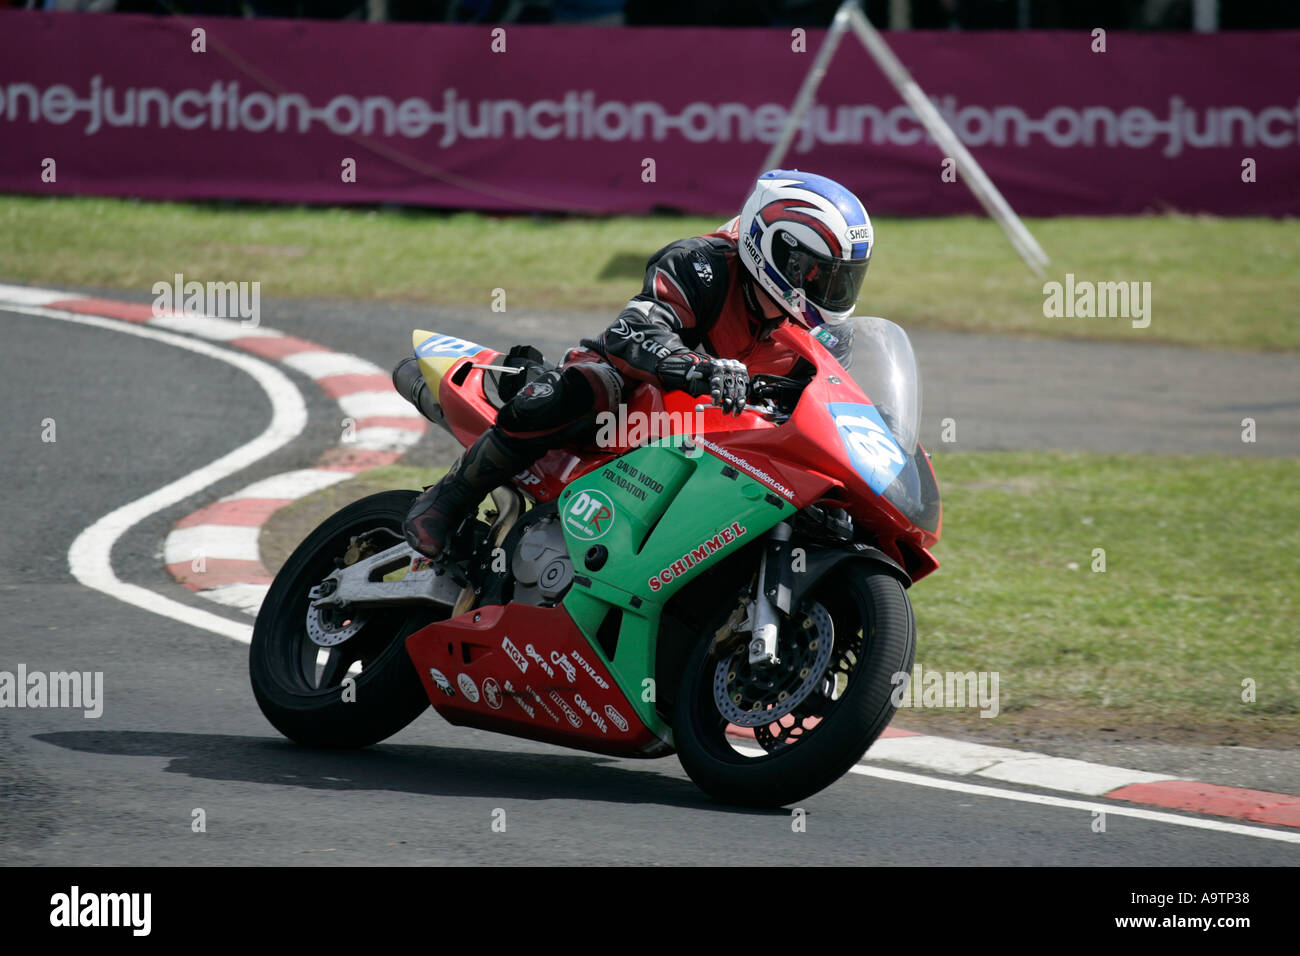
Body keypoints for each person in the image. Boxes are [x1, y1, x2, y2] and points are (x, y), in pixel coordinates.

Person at [403, 169, 874, 559]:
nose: (830, 291)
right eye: (815, 272)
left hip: (731, 437)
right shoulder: (703, 264)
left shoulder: (823, 336)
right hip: (635, 406)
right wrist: (695, 366)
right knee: (587, 385)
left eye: (842, 278)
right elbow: (633, 330)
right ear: (774, 250)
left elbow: (831, 403)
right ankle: (449, 498)